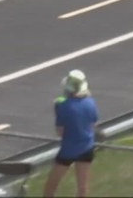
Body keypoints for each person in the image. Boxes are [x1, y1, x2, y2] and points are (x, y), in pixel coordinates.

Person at [43, 70, 98, 198]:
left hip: (68, 149)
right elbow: (93, 124)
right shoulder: (91, 103)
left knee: (52, 184)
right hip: (87, 147)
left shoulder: (63, 106)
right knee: (82, 187)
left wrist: (57, 110)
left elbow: (60, 132)